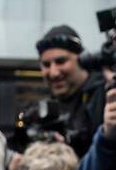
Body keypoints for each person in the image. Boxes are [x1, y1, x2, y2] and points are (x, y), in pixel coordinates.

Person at [33, 24, 107, 158]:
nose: (54, 72)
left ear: (82, 59)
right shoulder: (48, 107)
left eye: (61, 61)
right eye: (46, 65)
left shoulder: (105, 96)